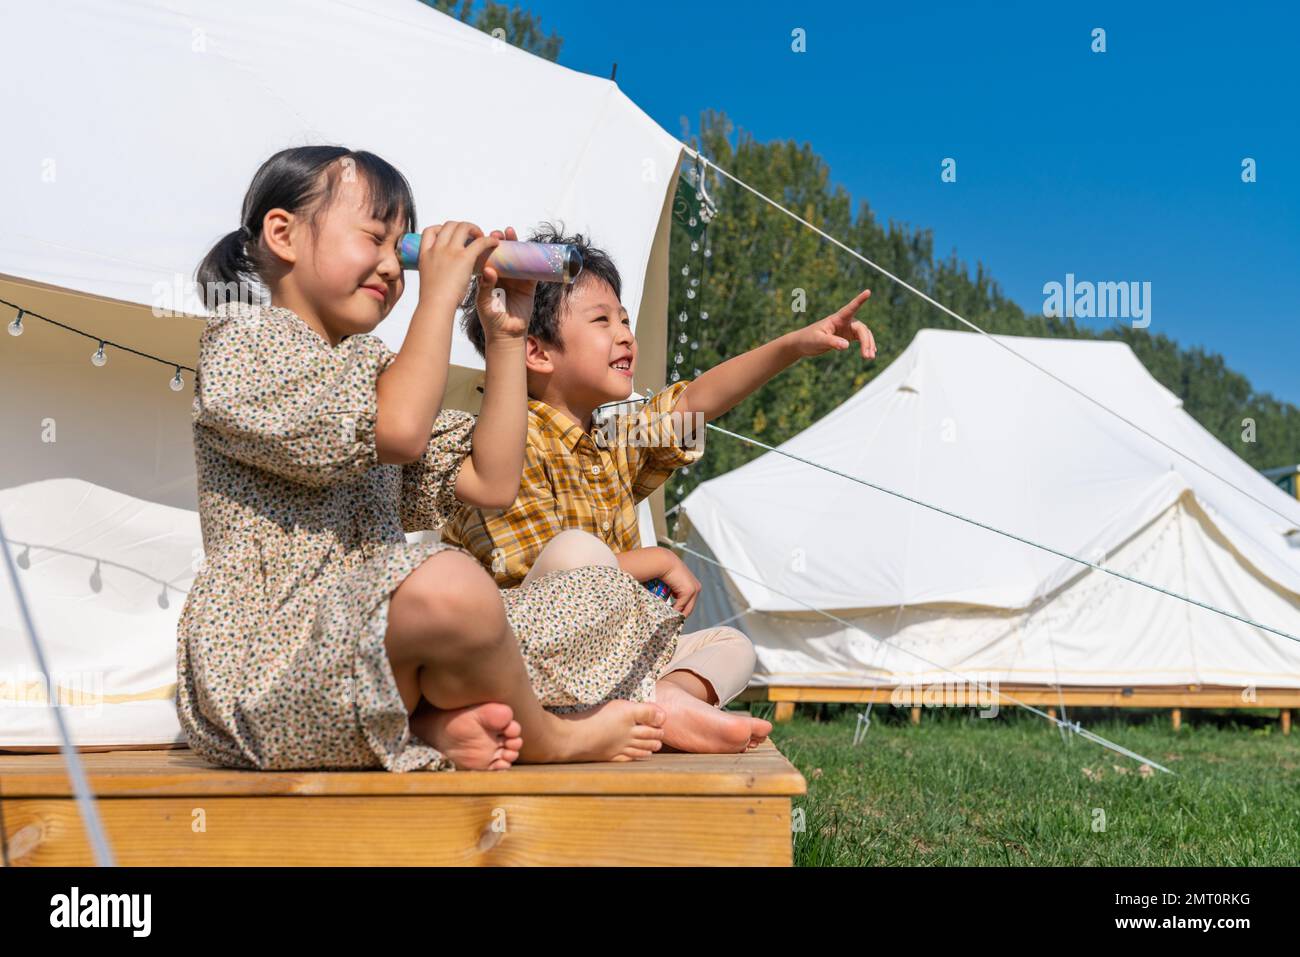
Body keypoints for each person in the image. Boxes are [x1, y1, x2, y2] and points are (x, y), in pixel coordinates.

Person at [176, 146, 683, 773]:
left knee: (596, 590)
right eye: (374, 240)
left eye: (404, 250)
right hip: (276, 670)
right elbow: (399, 430)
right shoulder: (243, 347)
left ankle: (426, 722)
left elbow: (492, 478)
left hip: (381, 650)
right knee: (451, 583)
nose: (393, 268)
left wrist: (506, 336)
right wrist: (439, 298)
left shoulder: (373, 372)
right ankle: (555, 736)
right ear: (283, 234)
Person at [443, 224, 877, 753]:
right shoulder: (508, 441)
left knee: (731, 646)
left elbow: (693, 403)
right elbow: (526, 584)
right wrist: (651, 561)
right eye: (602, 320)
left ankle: (659, 703)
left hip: (606, 653)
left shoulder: (613, 435)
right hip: (525, 655)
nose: (626, 334)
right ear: (535, 352)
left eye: (624, 318)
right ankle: (642, 707)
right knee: (577, 550)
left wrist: (792, 347)